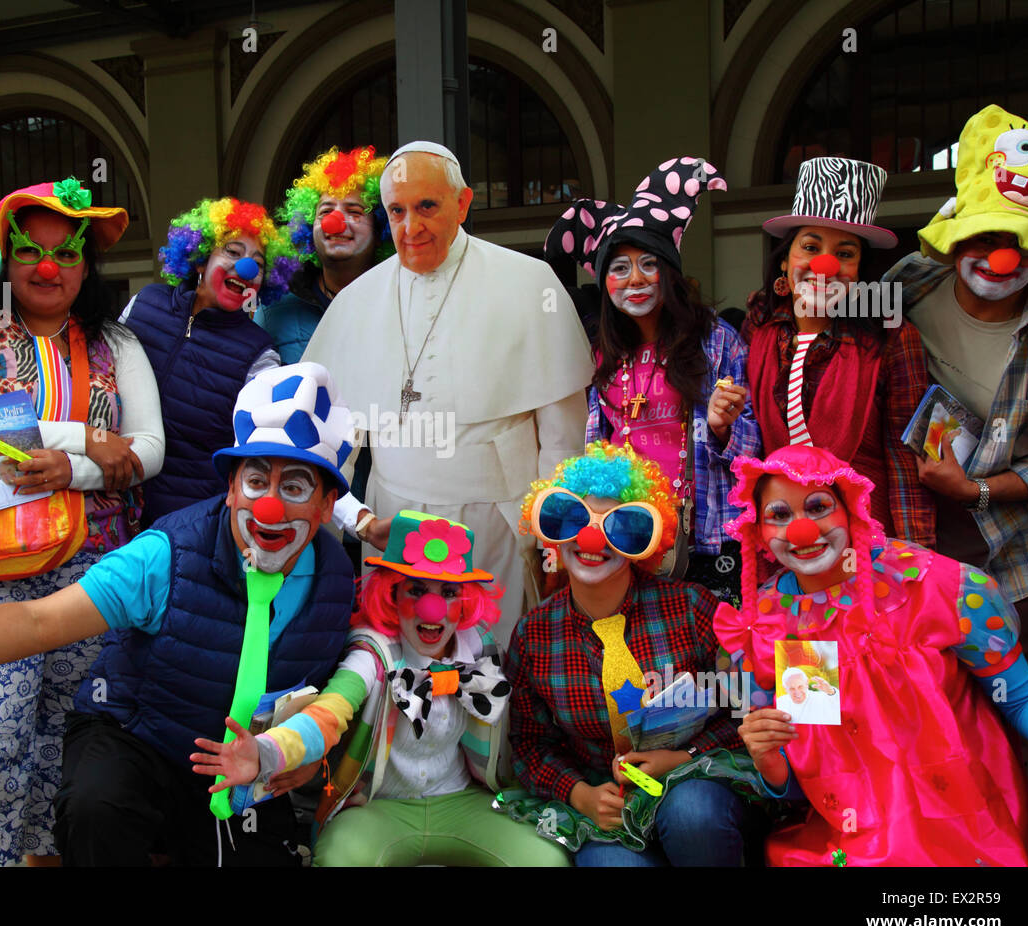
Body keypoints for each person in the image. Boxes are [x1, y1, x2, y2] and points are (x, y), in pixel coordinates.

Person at [0, 363, 358, 867]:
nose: (269, 506)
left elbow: (346, 689)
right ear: (232, 487)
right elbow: (37, 623)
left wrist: (307, 758)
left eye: (295, 487)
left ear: (327, 505)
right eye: (256, 481)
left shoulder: (336, 581)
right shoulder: (169, 555)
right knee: (99, 810)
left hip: (243, 769)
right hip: (142, 739)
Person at [0, 177, 164, 867]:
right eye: (29, 250)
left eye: (65, 253)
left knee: (67, 734)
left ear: (88, 265)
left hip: (90, 568)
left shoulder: (120, 344)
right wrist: (87, 439)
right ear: (5, 257)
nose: (46, 267)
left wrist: (71, 470)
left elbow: (150, 449)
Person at [303, 141, 593, 646]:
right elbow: (329, 446)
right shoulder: (355, 303)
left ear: (463, 203)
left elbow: (563, 439)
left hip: (498, 525)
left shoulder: (529, 283)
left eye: (426, 207)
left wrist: (556, 541)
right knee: (399, 671)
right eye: (396, 211)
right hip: (393, 527)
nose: (410, 227)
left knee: (490, 670)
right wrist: (349, 523)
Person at [714, 444, 1028, 866]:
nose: (802, 531)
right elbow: (823, 770)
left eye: (819, 507)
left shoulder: (932, 587)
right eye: (779, 515)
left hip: (970, 828)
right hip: (860, 838)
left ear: (849, 510)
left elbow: (1018, 696)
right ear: (759, 531)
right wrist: (768, 758)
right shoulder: (781, 628)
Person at [191, 510, 569, 866]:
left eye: (448, 593)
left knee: (547, 858)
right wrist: (266, 752)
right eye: (416, 591)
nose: (432, 608)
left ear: (464, 601)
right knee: (341, 860)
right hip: (377, 806)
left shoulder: (480, 649)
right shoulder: (373, 654)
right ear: (391, 594)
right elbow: (328, 713)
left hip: (463, 801)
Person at [500, 441, 760, 866]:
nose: (592, 538)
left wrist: (685, 758)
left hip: (697, 786)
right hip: (607, 806)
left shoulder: (692, 607)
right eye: (573, 519)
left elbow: (747, 706)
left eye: (621, 526)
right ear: (552, 531)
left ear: (647, 541)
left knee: (693, 812)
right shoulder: (535, 635)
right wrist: (578, 794)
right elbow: (530, 744)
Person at [546, 157, 760, 603]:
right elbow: (597, 454)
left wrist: (724, 428)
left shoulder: (716, 341)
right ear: (604, 282)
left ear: (670, 271)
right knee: (648, 660)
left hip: (708, 542)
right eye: (619, 268)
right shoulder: (604, 356)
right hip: (630, 536)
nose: (635, 280)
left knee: (712, 665)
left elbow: (755, 447)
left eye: (648, 263)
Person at [885, 104, 1028, 679]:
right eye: (986, 237)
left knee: (1011, 720)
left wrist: (976, 489)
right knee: (928, 711)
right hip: (905, 536)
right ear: (955, 240)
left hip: (1013, 554)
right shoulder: (906, 284)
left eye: (1022, 244)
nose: (1003, 257)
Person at [745, 157, 933, 547]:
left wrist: (914, 553)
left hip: (865, 537)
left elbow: (905, 457)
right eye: (810, 246)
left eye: (845, 254)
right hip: (782, 535)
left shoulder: (893, 337)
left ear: (860, 269)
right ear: (785, 258)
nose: (825, 265)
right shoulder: (758, 329)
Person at [121, 197, 299, 525]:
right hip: (114, 508)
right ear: (201, 260)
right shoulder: (143, 305)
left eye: (258, 264)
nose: (245, 268)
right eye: (232, 252)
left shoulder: (259, 356)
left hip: (187, 525)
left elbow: (264, 450)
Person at [256, 145, 393, 364]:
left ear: (379, 229)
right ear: (309, 228)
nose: (335, 223)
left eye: (355, 212)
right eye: (326, 211)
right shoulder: (274, 309)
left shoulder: (400, 302)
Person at [774, 668, 839, 725]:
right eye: (792, 689)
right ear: (785, 688)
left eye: (800, 686)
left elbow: (838, 703)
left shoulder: (820, 698)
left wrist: (830, 691)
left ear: (806, 683)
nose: (797, 692)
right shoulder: (780, 703)